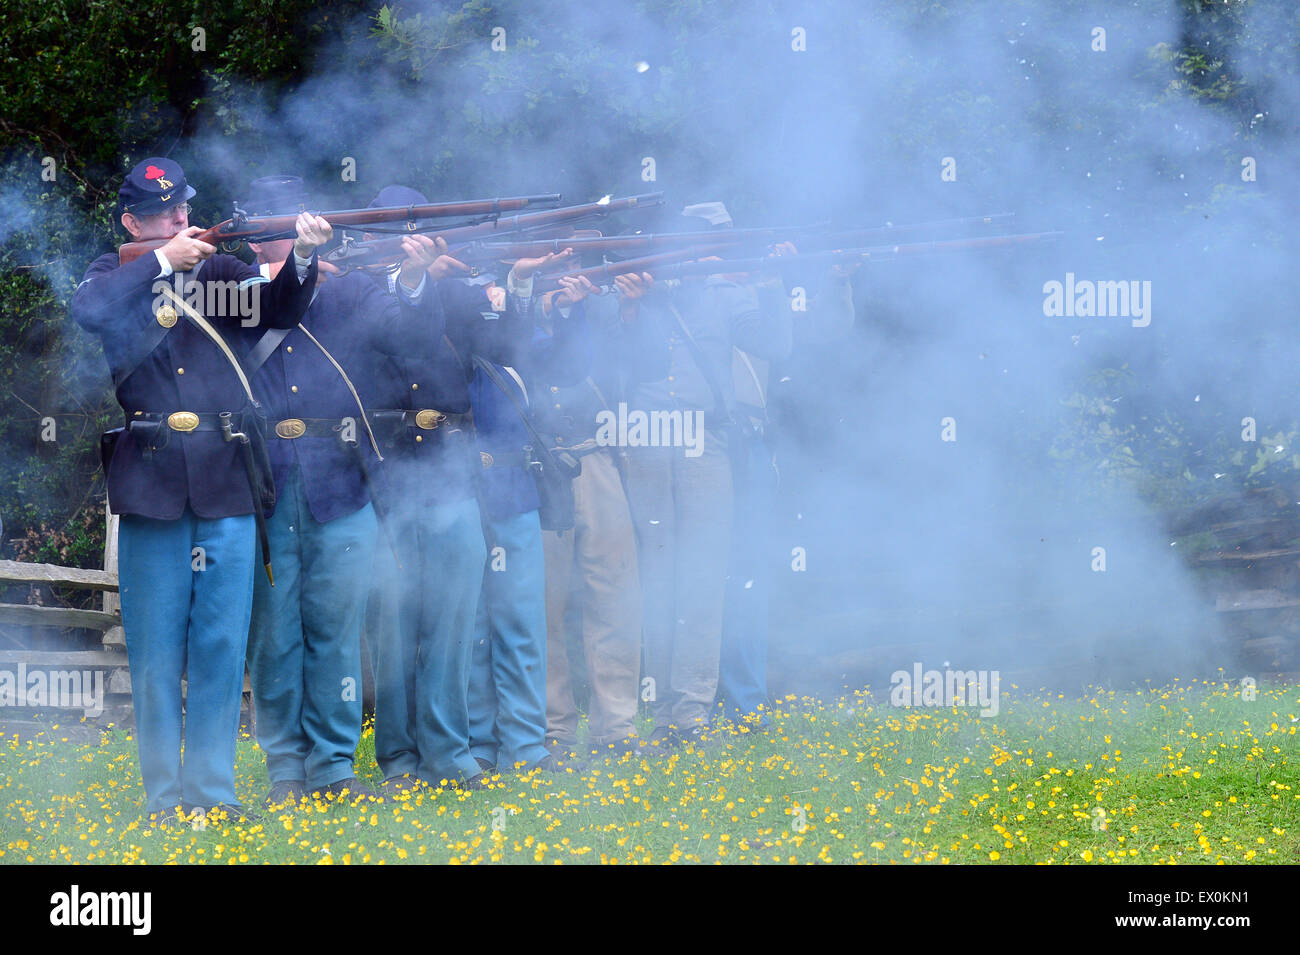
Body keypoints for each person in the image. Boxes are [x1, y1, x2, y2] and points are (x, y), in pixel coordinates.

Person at [70, 157, 329, 823]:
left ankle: (213, 792)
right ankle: (163, 796)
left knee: (220, 645)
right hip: (153, 476)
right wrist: (160, 265)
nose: (180, 218)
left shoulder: (217, 272)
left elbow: (279, 309)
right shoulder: (115, 273)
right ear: (133, 222)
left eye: (182, 207)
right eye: (162, 213)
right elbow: (91, 312)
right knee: (156, 654)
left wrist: (301, 254)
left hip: (224, 473)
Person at [240, 175, 436, 806]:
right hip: (268, 482)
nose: (284, 235)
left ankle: (333, 764)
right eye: (270, 226)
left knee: (335, 629)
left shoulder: (352, 290)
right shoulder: (233, 294)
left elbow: (405, 330)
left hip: (340, 478)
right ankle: (284, 769)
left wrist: (413, 277)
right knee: (276, 635)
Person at [362, 186, 540, 792]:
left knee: (455, 617)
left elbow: (511, 351)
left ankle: (449, 750)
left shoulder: (456, 293)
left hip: (450, 468)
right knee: (395, 619)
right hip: (385, 465)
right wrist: (410, 277)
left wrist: (515, 285)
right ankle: (397, 759)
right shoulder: (356, 288)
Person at [466, 271, 595, 775]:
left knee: (522, 622)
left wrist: (566, 309)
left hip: (515, 489)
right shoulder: (438, 329)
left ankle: (525, 743)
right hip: (458, 489)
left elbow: (566, 364)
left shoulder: (513, 333)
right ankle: (478, 744)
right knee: (472, 628)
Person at [537, 272, 658, 758]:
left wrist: (630, 312)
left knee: (616, 595)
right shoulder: (516, 300)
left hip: (596, 453)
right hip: (536, 462)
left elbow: (646, 365)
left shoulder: (608, 309)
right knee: (543, 605)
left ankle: (617, 728)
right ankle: (554, 732)